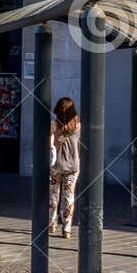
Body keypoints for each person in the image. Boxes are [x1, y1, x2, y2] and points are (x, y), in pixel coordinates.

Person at [50, 96, 81, 238]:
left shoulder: (53, 125)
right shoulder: (78, 126)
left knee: (53, 194)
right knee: (69, 196)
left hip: (56, 166)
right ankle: (67, 228)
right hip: (73, 166)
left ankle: (52, 224)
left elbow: (50, 146)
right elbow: (79, 147)